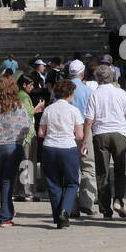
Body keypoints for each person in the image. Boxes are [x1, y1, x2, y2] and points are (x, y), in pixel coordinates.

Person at [38, 78, 85, 228]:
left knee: (54, 184)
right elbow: (79, 135)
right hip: (68, 148)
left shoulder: (48, 109)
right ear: (70, 94)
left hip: (50, 147)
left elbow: (41, 132)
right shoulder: (74, 110)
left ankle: (58, 218)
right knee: (72, 183)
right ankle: (65, 210)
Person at [0, 76, 31, 226]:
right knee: (8, 180)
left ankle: (8, 211)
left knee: (3, 179)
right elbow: (26, 126)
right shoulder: (19, 106)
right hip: (13, 145)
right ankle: (5, 216)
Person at [89, 64, 126, 219]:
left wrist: (84, 142)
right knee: (120, 170)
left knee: (102, 172)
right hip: (120, 134)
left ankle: (105, 208)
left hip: (100, 134)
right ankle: (118, 200)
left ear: (97, 78)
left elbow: (89, 120)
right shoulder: (121, 93)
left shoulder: (94, 94)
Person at [66, 60, 99, 218]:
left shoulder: (63, 88)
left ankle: (71, 205)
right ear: (82, 72)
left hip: (67, 132)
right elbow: (91, 116)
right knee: (88, 166)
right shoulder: (87, 90)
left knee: (70, 168)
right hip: (85, 131)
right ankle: (87, 203)